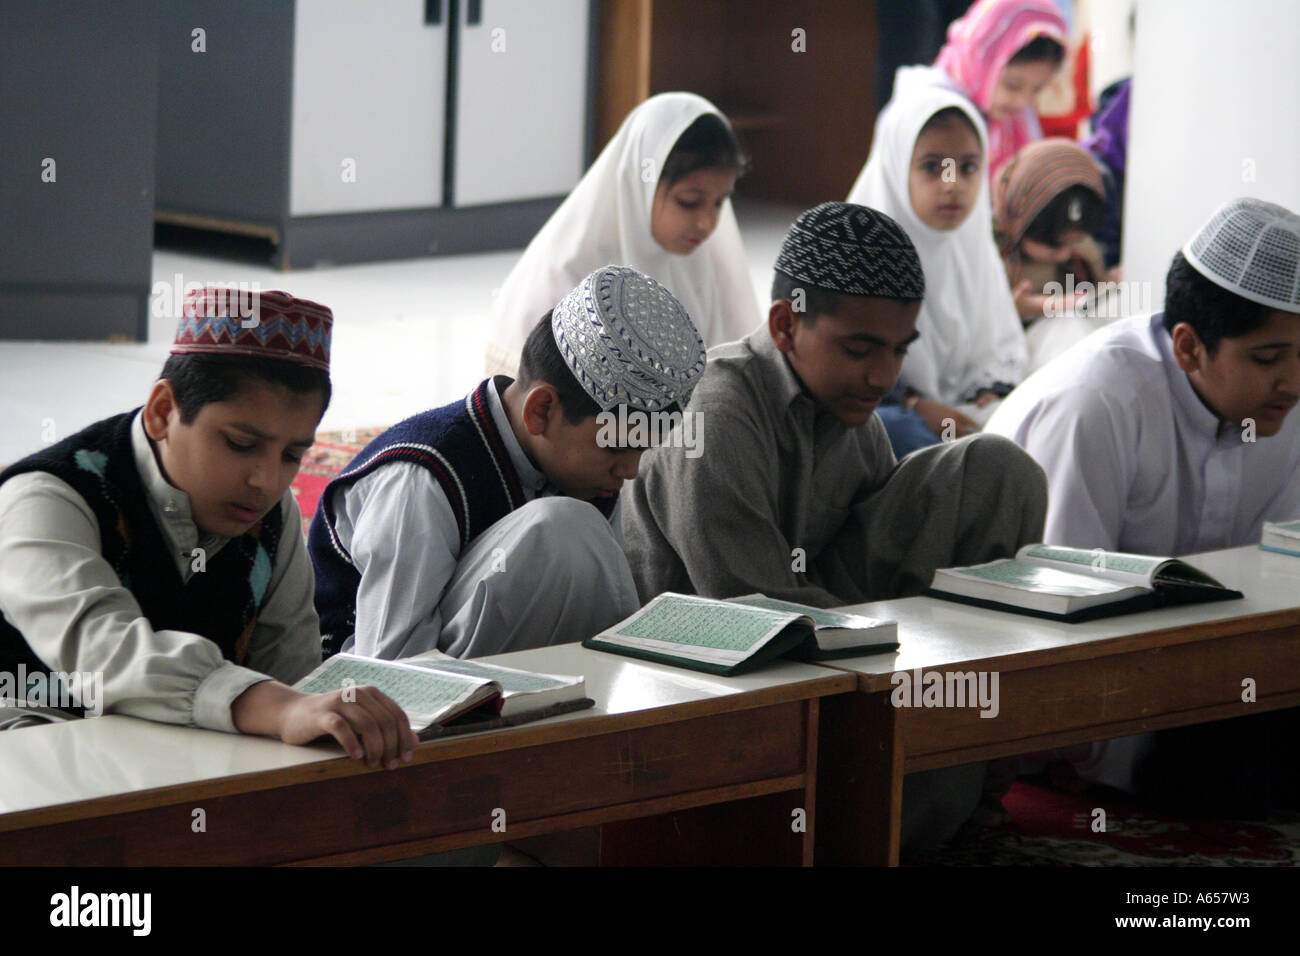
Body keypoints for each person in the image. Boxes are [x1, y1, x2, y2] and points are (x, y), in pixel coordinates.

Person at [620, 202, 1048, 855]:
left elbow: (853, 582)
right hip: (715, 677)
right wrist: (919, 653)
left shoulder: (854, 417)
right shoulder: (715, 413)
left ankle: (946, 787)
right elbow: (747, 610)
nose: (884, 377)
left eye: (898, 351)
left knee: (999, 469)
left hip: (833, 646)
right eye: (860, 349)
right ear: (785, 324)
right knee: (920, 704)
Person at [0, 287, 416, 770]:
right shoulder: (47, 498)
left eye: (291, 456)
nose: (266, 481)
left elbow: (293, 673)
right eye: (240, 443)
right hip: (34, 743)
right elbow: (105, 654)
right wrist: (276, 708)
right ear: (162, 413)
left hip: (189, 755)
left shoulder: (267, 512)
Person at [986, 198, 1300, 812]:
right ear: (1188, 347)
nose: (1294, 382)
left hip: (1208, 688)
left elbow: (1282, 582)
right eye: (1268, 359)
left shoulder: (1281, 407)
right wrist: (1110, 753)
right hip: (1083, 697)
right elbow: (1056, 621)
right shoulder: (1096, 405)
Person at [312, 265, 705, 662]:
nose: (630, 470)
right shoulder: (422, 477)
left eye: (643, 449)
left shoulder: (587, 475)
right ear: (542, 409)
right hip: (360, 691)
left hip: (479, 682)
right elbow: (391, 663)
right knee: (564, 530)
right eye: (618, 447)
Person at [484, 92, 760, 376]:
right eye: (688, 202)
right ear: (640, 185)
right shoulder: (564, 276)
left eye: (719, 203)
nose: (707, 223)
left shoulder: (709, 261)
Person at [848, 79, 1028, 457]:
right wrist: (914, 405)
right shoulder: (861, 250)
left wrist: (988, 390)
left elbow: (999, 346)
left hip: (963, 409)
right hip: (885, 413)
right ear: (896, 169)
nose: (953, 185)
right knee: (897, 435)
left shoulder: (974, 242)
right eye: (933, 167)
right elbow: (840, 367)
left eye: (968, 167)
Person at [993, 137, 1109, 367]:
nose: (1066, 255)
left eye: (1075, 241)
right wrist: (1015, 310)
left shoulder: (1083, 255)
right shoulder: (990, 260)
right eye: (1054, 246)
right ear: (1020, 223)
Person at [932, 0, 1069, 182]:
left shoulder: (1015, 122)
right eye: (1012, 85)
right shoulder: (935, 114)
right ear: (980, 61)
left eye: (1036, 90)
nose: (1023, 102)